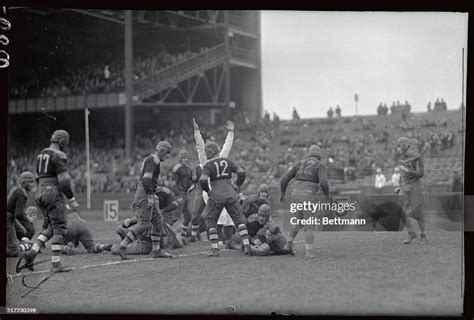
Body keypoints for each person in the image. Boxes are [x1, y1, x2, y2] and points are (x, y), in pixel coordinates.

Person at [23, 130, 79, 272]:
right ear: (63, 142)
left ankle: (32, 252)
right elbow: (64, 181)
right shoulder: (58, 155)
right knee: (60, 227)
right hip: (52, 192)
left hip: (40, 192)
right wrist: (71, 199)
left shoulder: (41, 153)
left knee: (52, 226)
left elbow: (37, 177)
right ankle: (56, 264)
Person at [112, 141, 174, 260]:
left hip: (144, 193)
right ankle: (123, 246)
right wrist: (150, 197)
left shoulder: (151, 159)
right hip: (146, 194)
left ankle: (156, 250)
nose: (166, 157)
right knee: (144, 224)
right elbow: (146, 180)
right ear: (162, 151)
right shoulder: (154, 160)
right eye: (166, 154)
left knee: (158, 221)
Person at [199, 141, 250, 257]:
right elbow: (241, 172)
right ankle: (247, 245)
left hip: (216, 194)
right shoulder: (227, 161)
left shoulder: (208, 165)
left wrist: (208, 191)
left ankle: (215, 249)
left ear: (209, 152)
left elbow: (202, 180)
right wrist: (237, 185)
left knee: (211, 220)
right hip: (230, 194)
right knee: (239, 220)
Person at [280, 145, 330, 259]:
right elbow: (324, 182)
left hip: (295, 192)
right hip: (308, 193)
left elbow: (284, 179)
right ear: (319, 155)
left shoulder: (299, 163)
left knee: (298, 220)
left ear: (310, 154)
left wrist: (282, 193)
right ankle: (308, 252)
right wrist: (327, 195)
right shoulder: (320, 165)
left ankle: (288, 244)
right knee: (310, 223)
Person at [193, 118, 237, 247]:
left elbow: (227, 147)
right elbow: (199, 147)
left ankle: (228, 242)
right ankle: (216, 243)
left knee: (228, 216)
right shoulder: (204, 162)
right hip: (210, 192)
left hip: (222, 191)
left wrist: (231, 133)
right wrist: (197, 132)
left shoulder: (221, 159)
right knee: (220, 216)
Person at [115, 186, 181, 255]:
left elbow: (174, 205)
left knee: (155, 227)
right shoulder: (148, 193)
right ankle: (117, 245)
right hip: (149, 228)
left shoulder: (159, 193)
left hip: (157, 222)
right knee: (145, 243)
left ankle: (124, 233)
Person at [395, 137, 427, 244]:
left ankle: (423, 235)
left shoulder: (416, 156)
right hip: (405, 186)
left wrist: (407, 170)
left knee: (417, 212)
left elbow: (421, 173)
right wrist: (400, 186)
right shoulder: (401, 158)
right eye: (398, 145)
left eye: (401, 144)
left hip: (415, 186)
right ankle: (411, 233)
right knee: (400, 210)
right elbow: (403, 174)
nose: (399, 147)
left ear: (408, 144)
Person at [6, 171, 37, 257]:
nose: (33, 184)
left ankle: (17, 243)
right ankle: (18, 246)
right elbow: (18, 214)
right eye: (31, 182)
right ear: (25, 182)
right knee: (13, 252)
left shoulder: (17, 188)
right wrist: (28, 219)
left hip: (10, 217)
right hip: (8, 218)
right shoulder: (22, 193)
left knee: (23, 232)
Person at [171, 149, 195, 237]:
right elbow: (173, 183)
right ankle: (165, 231)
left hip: (186, 193)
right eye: (184, 158)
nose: (186, 160)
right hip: (179, 194)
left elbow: (191, 181)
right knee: (176, 215)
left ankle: (182, 235)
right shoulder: (177, 168)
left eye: (187, 158)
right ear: (180, 159)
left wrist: (193, 184)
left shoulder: (189, 169)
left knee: (188, 216)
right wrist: (178, 195)